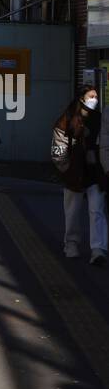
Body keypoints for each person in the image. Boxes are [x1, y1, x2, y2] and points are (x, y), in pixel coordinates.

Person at [51, 84, 108, 265]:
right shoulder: (67, 119)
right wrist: (65, 168)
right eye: (91, 96)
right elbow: (58, 146)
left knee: (96, 210)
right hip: (74, 172)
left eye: (96, 97)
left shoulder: (99, 119)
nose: (95, 100)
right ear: (81, 98)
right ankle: (71, 243)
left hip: (95, 172)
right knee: (72, 212)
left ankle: (98, 249)